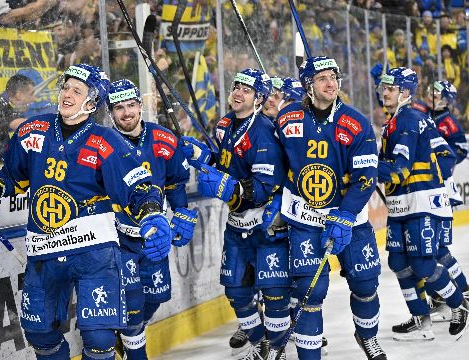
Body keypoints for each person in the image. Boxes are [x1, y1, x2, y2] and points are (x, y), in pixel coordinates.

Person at [0, 64, 172, 360]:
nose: (67, 94)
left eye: (77, 90)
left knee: (100, 337)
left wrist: (152, 214)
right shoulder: (33, 131)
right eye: (66, 87)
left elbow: (138, 187)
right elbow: (11, 178)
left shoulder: (106, 141)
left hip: (95, 253)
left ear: (91, 102)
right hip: (45, 250)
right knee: (40, 334)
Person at [273, 56, 385, 360]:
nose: (331, 83)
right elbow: (274, 164)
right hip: (304, 219)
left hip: (350, 219)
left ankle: (367, 337)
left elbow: (366, 177)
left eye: (334, 76)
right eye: (322, 78)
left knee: (365, 283)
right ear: (308, 85)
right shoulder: (286, 119)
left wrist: (347, 213)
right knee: (311, 291)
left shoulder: (356, 122)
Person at [183, 69, 289, 360]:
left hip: (264, 226)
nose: (238, 93)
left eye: (247, 89)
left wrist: (230, 190)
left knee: (274, 293)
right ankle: (260, 346)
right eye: (236, 87)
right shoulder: (225, 125)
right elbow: (226, 162)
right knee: (236, 291)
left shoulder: (263, 131)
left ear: (258, 98)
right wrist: (204, 156)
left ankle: (276, 349)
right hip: (235, 225)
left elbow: (264, 186)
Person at [105, 79, 195, 359]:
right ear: (110, 113)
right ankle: (133, 339)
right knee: (132, 302)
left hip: (154, 234)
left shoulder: (164, 138)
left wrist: (182, 212)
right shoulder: (102, 144)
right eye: (119, 108)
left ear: (141, 106)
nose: (126, 113)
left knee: (156, 295)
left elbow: (175, 183)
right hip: (118, 237)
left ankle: (130, 330)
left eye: (131, 105)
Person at [380, 69, 469, 342]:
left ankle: (458, 303)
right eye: (383, 87)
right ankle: (423, 321)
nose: (384, 92)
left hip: (419, 203)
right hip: (402, 204)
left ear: (405, 92)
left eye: (391, 88)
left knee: (423, 263)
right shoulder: (397, 121)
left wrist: (364, 168)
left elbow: (400, 169)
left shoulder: (409, 119)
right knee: (398, 261)